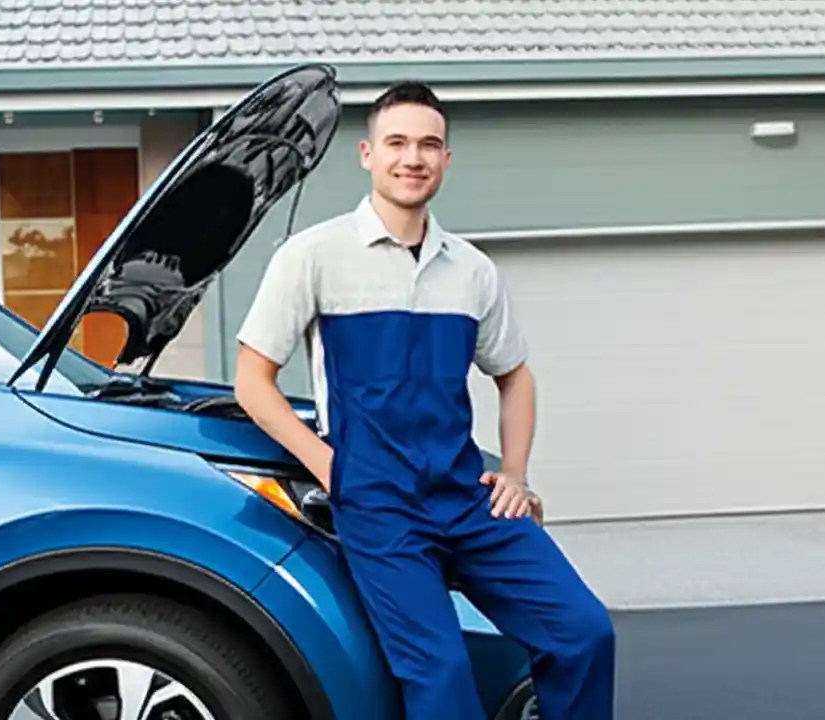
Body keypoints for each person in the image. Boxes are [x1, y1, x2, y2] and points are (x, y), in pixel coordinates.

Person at [233, 81, 616, 719]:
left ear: (445, 160)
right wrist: (330, 466)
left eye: (429, 145)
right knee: (440, 675)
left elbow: (514, 374)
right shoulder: (314, 256)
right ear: (367, 154)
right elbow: (253, 380)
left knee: (584, 632)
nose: (413, 158)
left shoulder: (471, 270)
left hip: (466, 495)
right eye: (398, 143)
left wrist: (516, 474)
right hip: (379, 505)